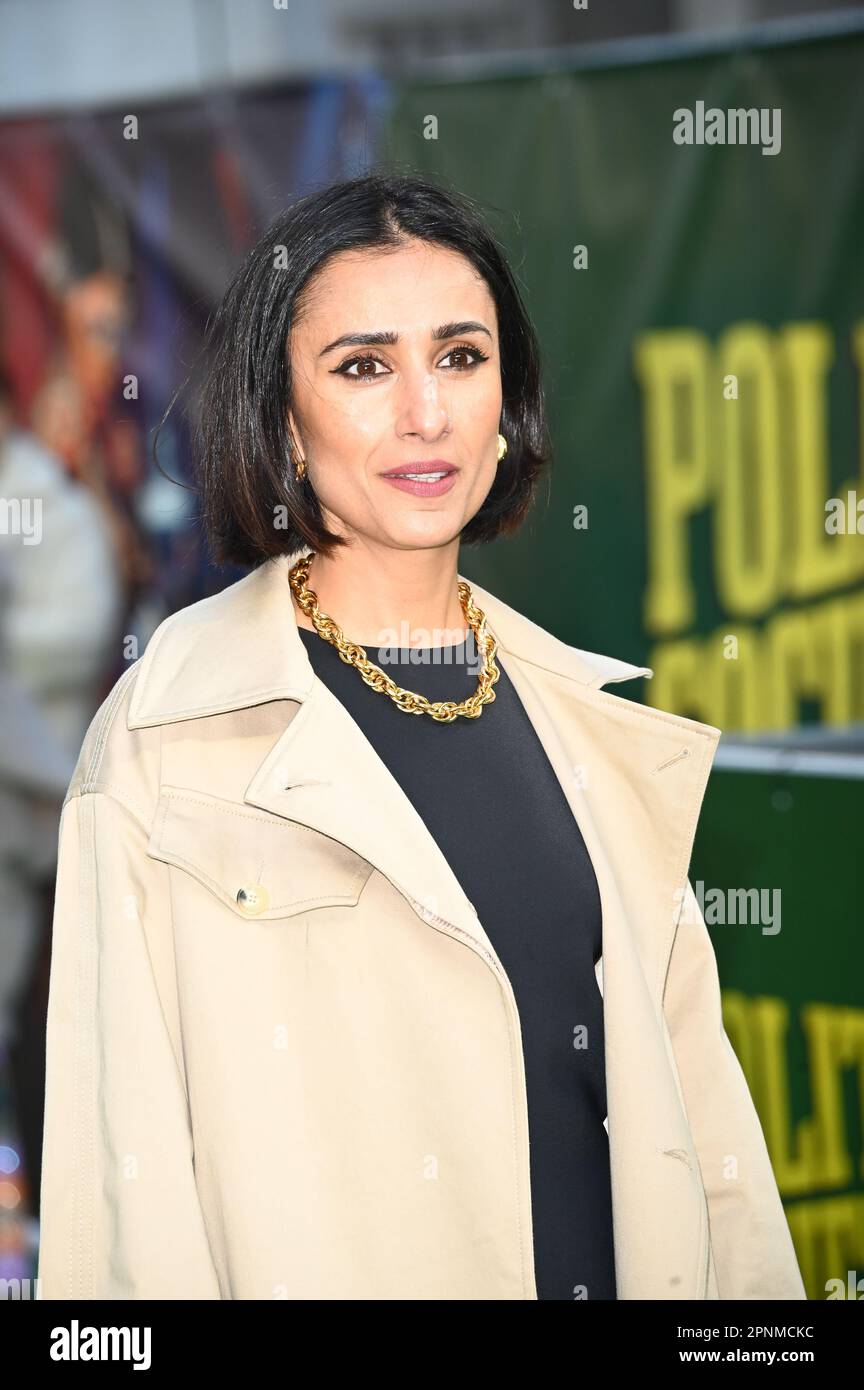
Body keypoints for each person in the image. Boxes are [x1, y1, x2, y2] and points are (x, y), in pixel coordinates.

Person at [37, 172, 806, 1301]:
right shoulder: (167, 734)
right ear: (282, 419)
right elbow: (121, 1197)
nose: (425, 411)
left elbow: (714, 1159)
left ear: (510, 400)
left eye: (459, 356)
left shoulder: (593, 724)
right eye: (362, 367)